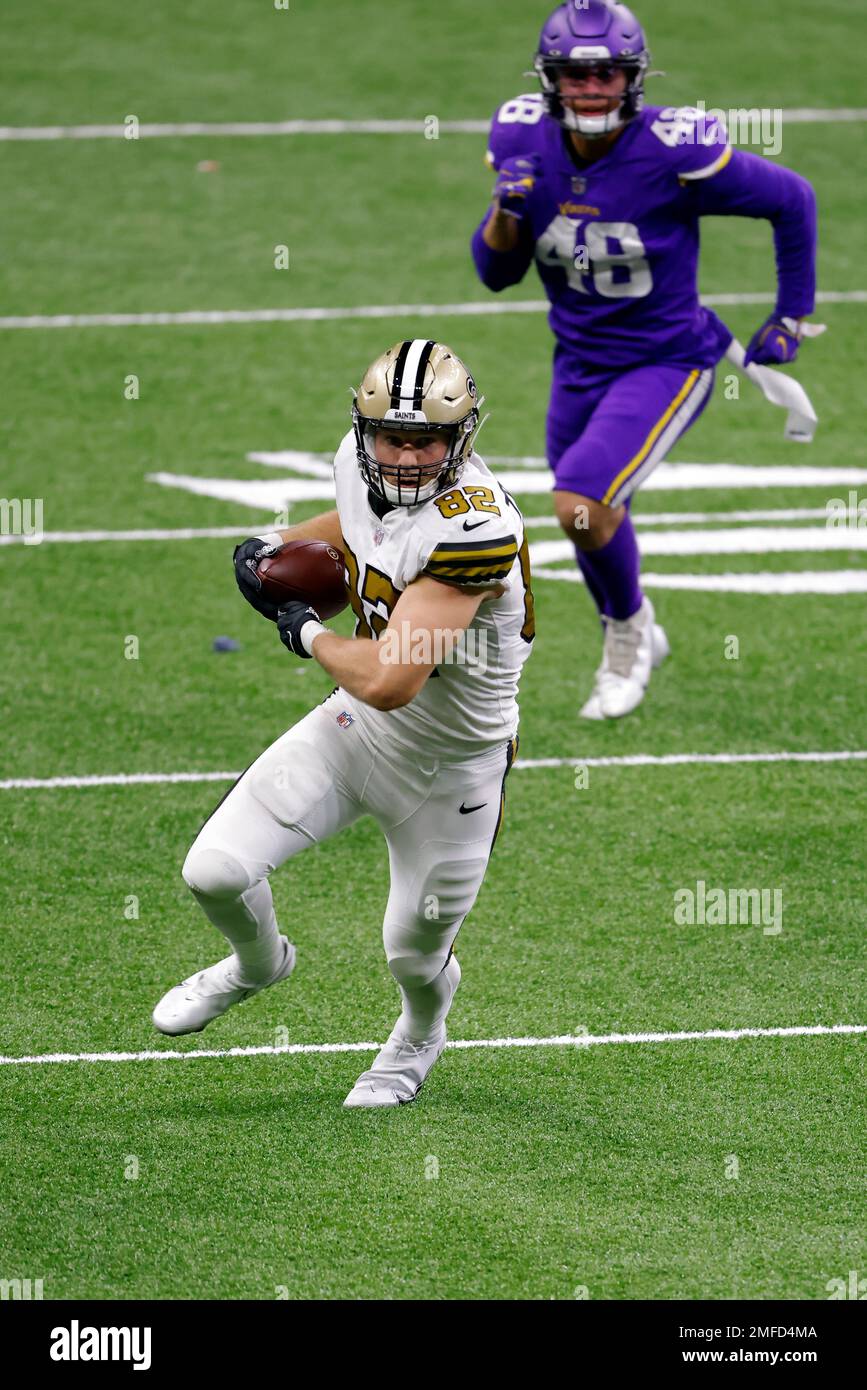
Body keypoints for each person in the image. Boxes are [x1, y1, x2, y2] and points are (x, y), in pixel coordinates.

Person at [151, 340, 535, 1108]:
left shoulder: (474, 529)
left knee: (412, 956)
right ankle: (258, 965)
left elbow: (392, 679)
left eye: (425, 439)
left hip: (449, 768)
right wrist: (283, 544)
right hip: (354, 733)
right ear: (364, 432)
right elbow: (355, 524)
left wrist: (304, 631)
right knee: (215, 872)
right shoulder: (358, 465)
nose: (406, 456)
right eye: (391, 437)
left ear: (460, 438)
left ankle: (420, 1035)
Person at [471, 0, 817, 718]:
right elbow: (494, 272)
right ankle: (634, 624)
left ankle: (625, 633)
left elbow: (791, 198)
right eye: (576, 74)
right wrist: (507, 210)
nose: (592, 89)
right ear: (550, 79)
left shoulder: (673, 148)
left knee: (579, 501)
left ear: (633, 78)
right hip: (578, 362)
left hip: (667, 360)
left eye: (608, 74)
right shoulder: (521, 139)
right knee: (585, 513)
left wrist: (790, 313)